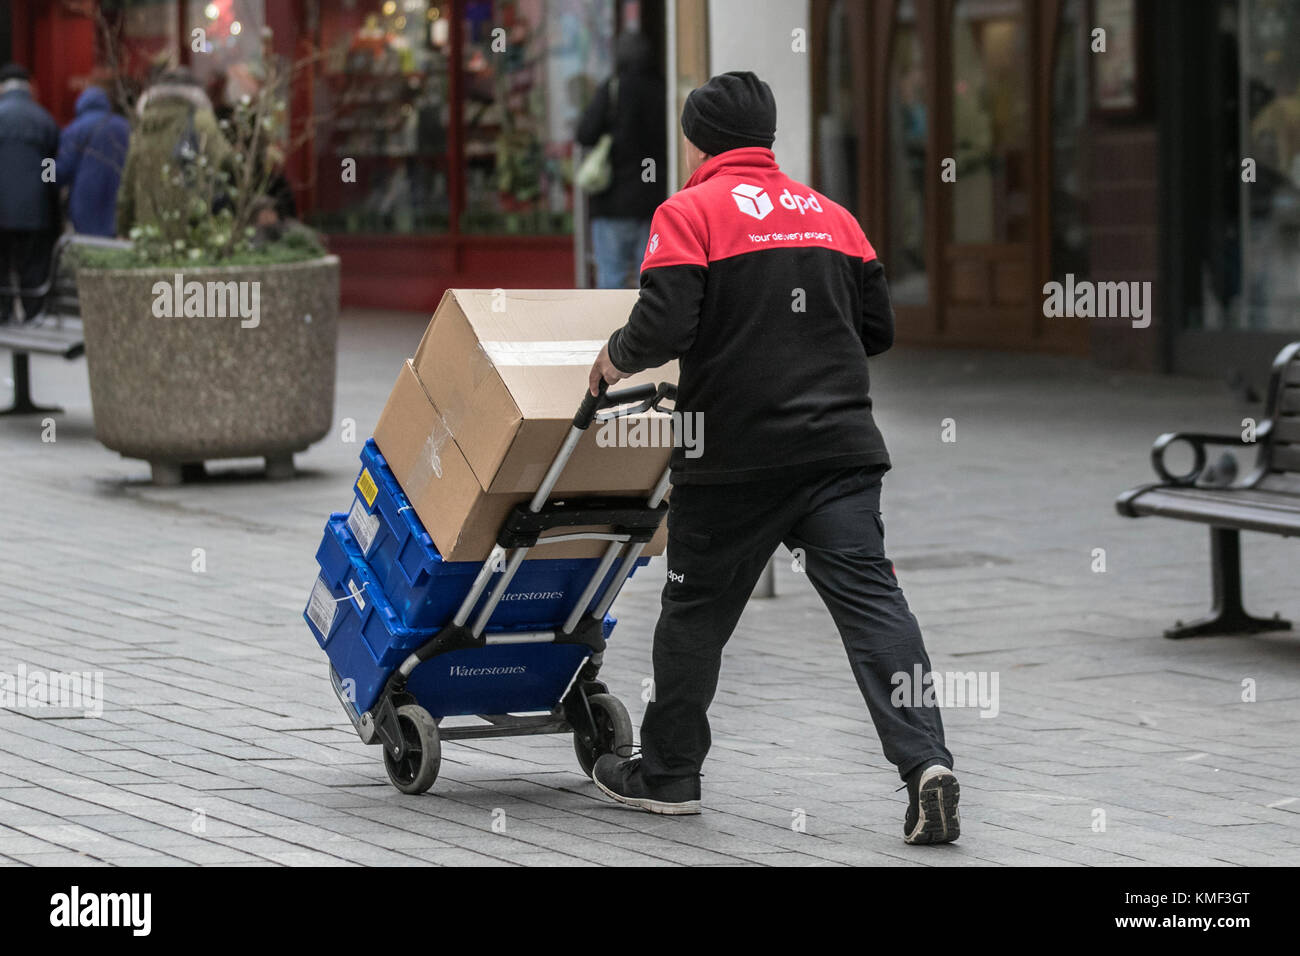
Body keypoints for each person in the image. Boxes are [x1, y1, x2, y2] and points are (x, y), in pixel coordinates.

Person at [586, 71, 960, 845]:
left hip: (732, 458)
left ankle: (669, 775)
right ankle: (926, 763)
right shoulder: (835, 218)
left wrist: (615, 360)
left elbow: (666, 321)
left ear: (697, 139)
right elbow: (878, 329)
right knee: (874, 608)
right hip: (840, 454)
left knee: (693, 614)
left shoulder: (688, 212)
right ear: (768, 136)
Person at [576, 32, 666, 289]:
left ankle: (612, 329)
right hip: (654, 201)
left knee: (611, 279)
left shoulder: (614, 88)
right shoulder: (664, 91)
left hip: (614, 200)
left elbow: (585, 134)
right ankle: (646, 330)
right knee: (648, 281)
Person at [116, 68, 232, 242]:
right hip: (193, 230)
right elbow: (227, 163)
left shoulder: (143, 126)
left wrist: (123, 228)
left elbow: (128, 185)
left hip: (149, 232)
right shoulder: (202, 120)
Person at [0, 64, 60, 323]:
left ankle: (3, 313)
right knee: (33, 267)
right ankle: (33, 314)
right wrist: (45, 191)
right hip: (36, 210)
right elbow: (50, 167)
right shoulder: (44, 120)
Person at [57, 85, 131, 238]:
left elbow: (60, 170)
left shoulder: (73, 129)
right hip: (120, 196)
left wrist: (45, 171)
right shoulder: (125, 126)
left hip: (85, 200)